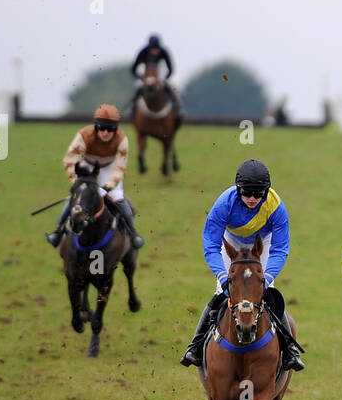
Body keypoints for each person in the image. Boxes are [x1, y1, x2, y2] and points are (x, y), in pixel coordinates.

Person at [181, 159, 304, 372]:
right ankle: (196, 344)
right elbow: (211, 244)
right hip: (231, 243)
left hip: (261, 244)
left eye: (259, 194)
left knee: (268, 291)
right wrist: (222, 276)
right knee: (221, 293)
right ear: (238, 190)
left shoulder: (276, 206)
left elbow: (280, 249)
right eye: (247, 193)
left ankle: (290, 351)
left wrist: (266, 278)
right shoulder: (224, 203)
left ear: (266, 192)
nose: (253, 199)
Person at [44, 104, 145, 250]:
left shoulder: (122, 140)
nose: (105, 132)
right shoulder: (84, 136)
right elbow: (70, 160)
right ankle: (58, 231)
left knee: (118, 198)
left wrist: (108, 187)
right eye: (101, 128)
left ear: (115, 130)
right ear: (96, 127)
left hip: (109, 168)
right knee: (78, 199)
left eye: (110, 129)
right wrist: (79, 183)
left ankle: (133, 233)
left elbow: (119, 168)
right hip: (86, 167)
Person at [127, 34, 184, 120]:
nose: (155, 51)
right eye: (153, 49)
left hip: (161, 76)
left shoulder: (164, 52)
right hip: (145, 77)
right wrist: (141, 78)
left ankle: (178, 107)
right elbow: (133, 69)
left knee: (172, 89)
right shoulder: (143, 52)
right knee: (138, 89)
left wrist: (164, 80)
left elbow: (170, 69)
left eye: (156, 49)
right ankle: (132, 108)